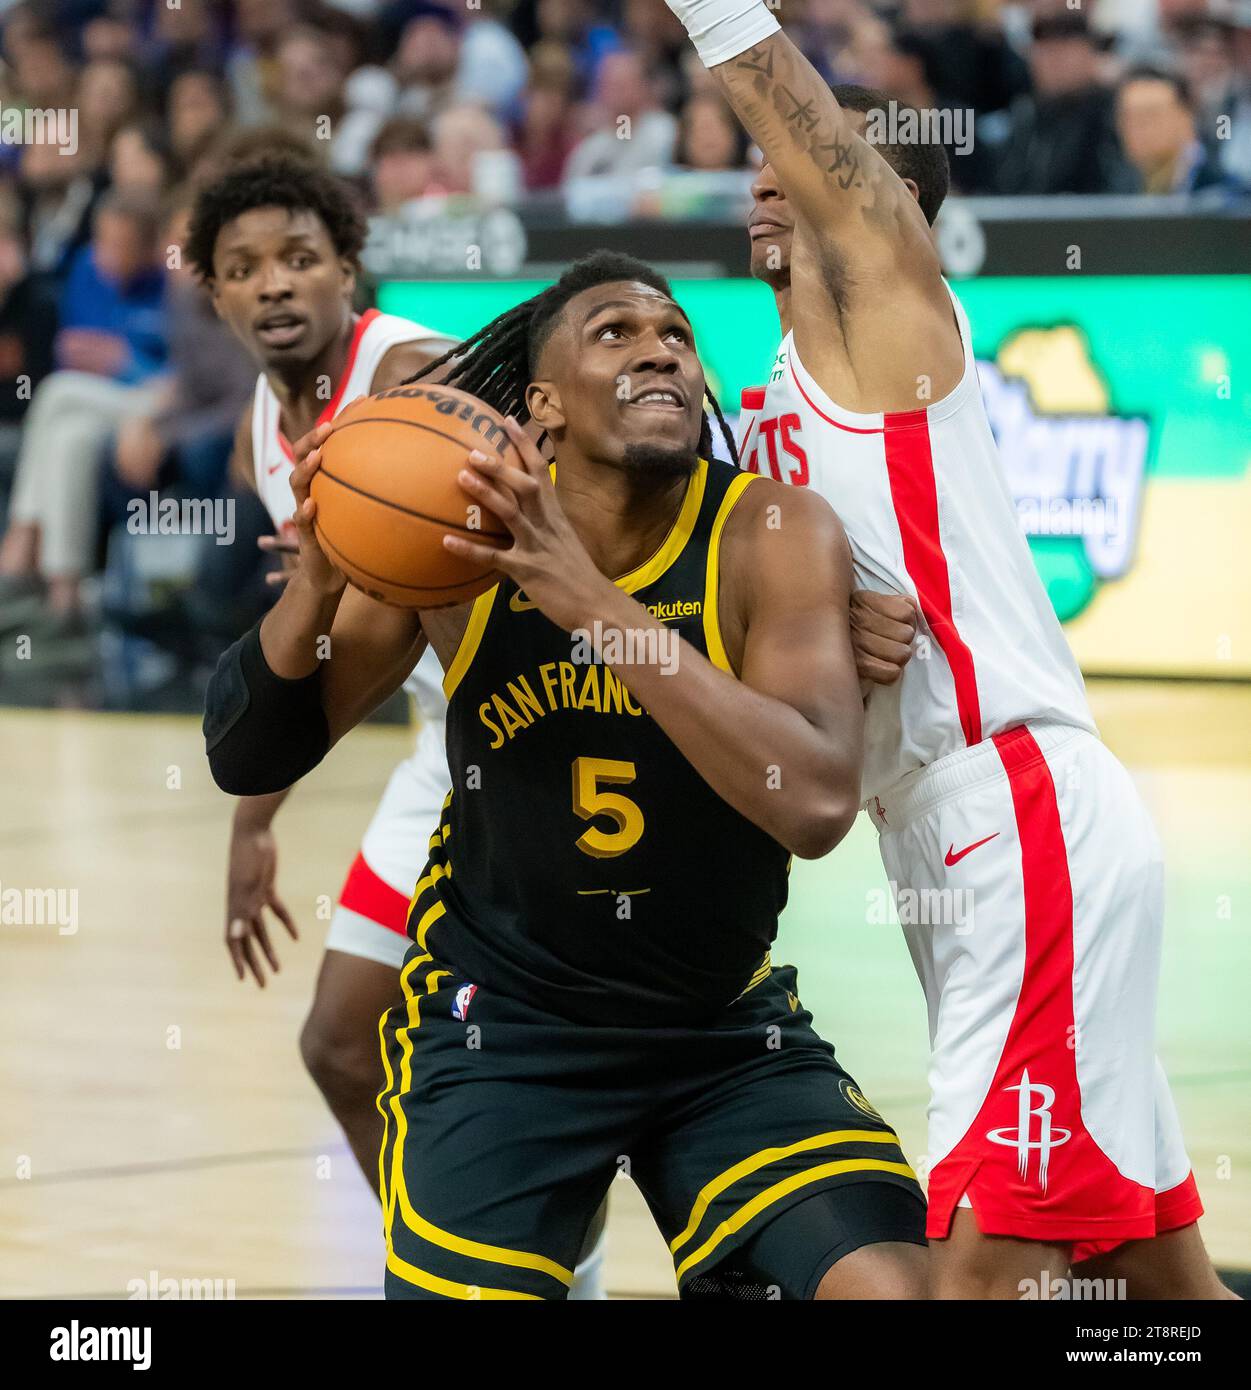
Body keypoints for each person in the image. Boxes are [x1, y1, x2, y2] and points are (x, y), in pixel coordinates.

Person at [204, 249, 930, 1301]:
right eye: (617, 334)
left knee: (895, 1292)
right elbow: (246, 751)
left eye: (676, 337)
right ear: (540, 405)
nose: (659, 353)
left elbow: (815, 801)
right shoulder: (457, 546)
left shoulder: (766, 533)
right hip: (503, 1028)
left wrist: (589, 600)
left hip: (720, 1027)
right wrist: (318, 583)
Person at [664, 0, 1234, 1300]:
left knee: (979, 1271)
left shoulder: (893, 341)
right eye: (747, 167)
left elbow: (793, 117)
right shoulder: (758, 424)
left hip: (1015, 813)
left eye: (781, 162)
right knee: (1155, 1278)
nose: (759, 178)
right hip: (953, 845)